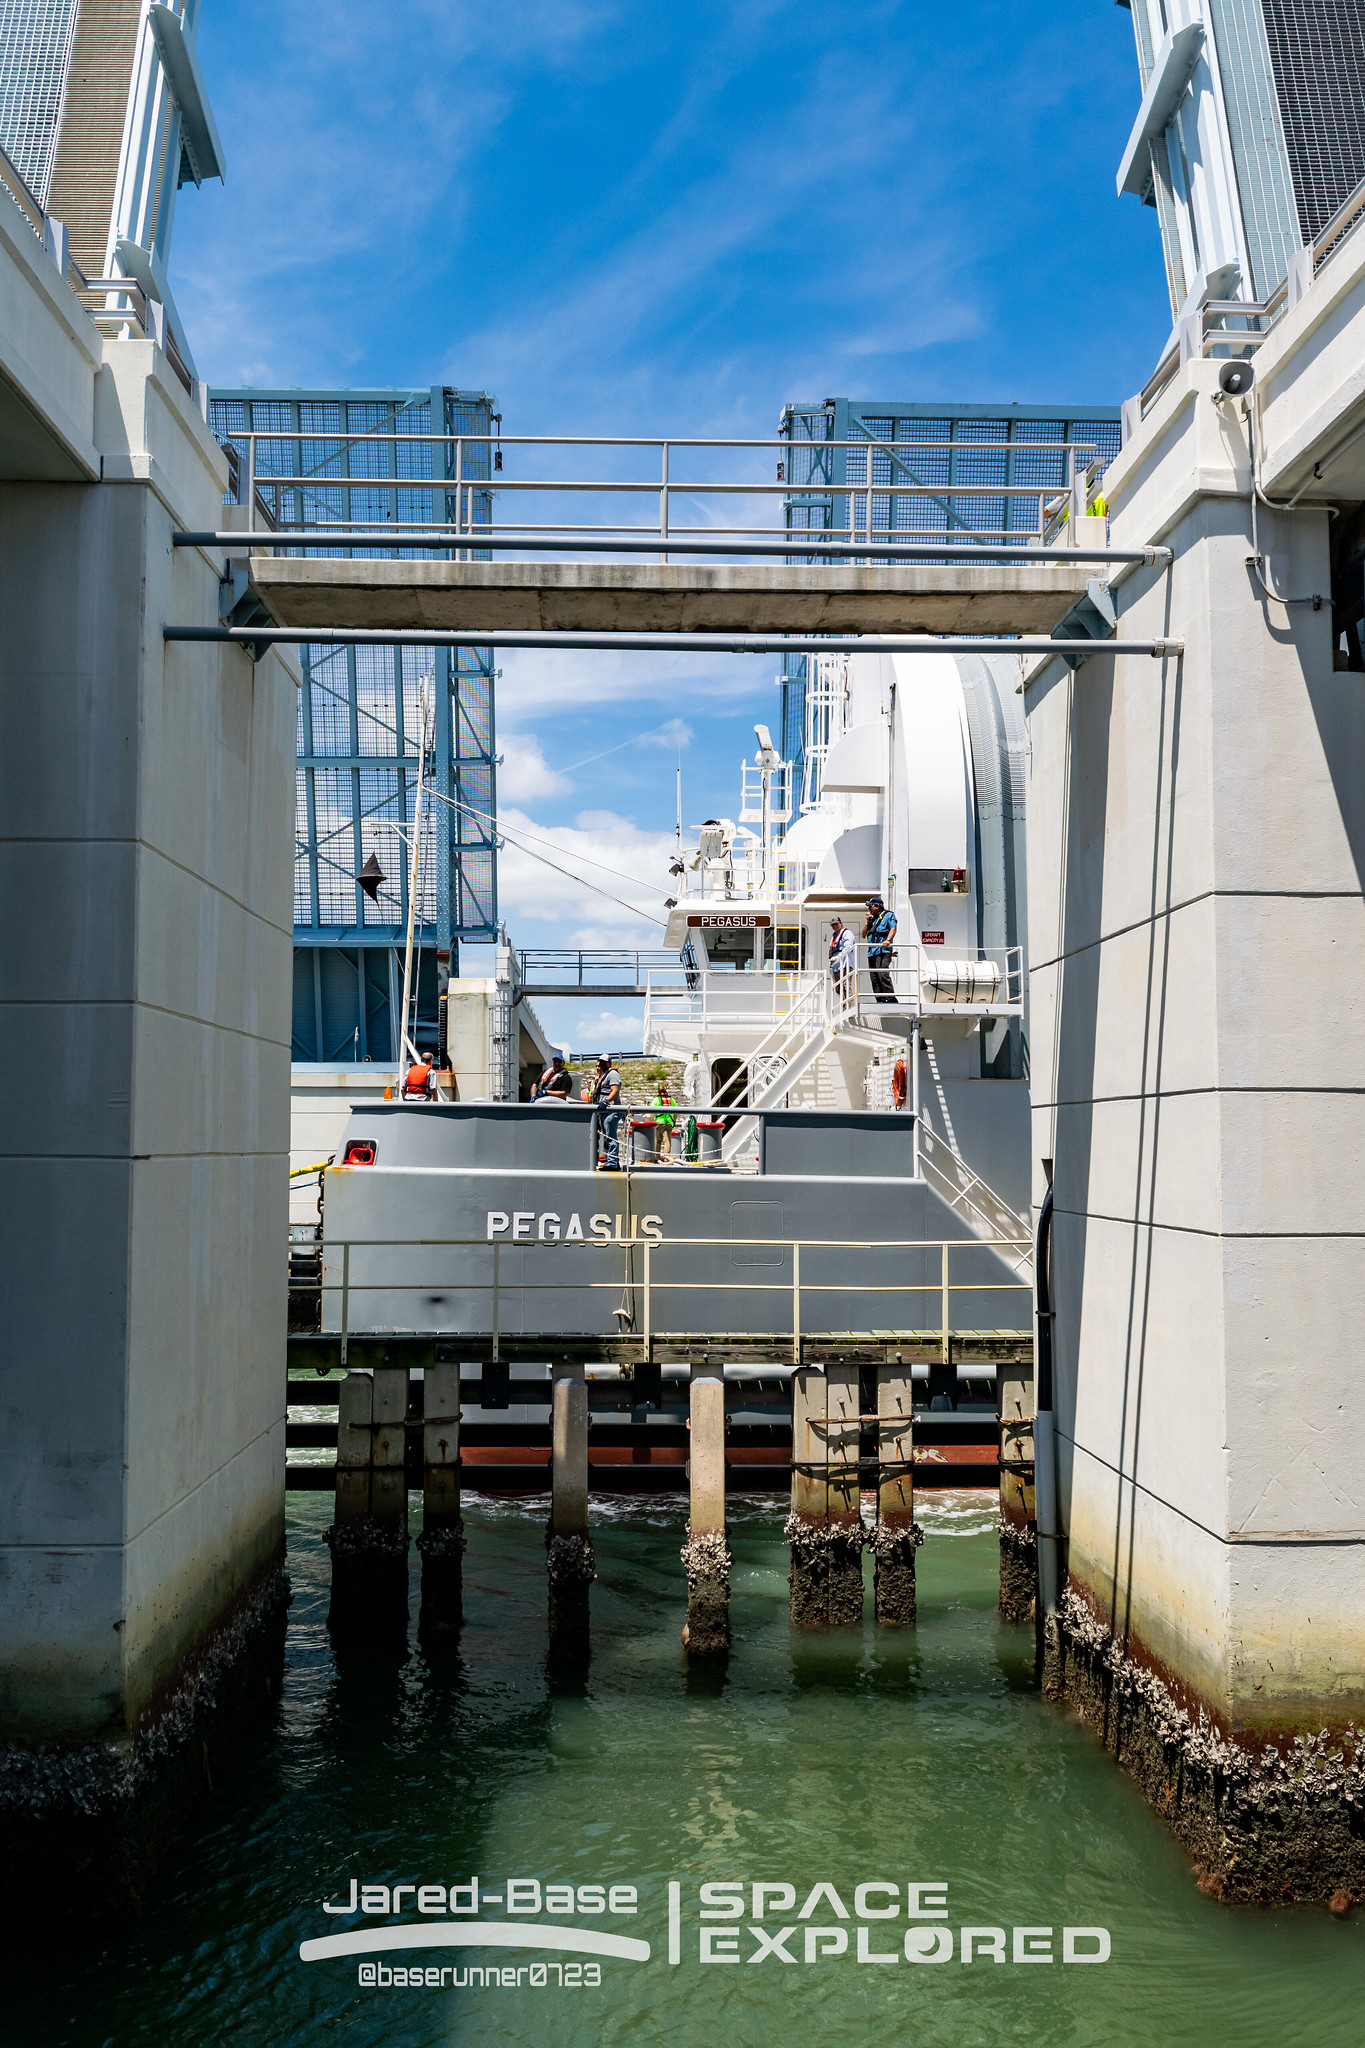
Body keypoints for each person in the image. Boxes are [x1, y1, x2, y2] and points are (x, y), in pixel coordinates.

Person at [863, 894, 898, 1003]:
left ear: (877, 906)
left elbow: (893, 929)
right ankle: (880, 999)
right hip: (872, 952)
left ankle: (891, 999)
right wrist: (868, 922)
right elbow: (864, 934)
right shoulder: (873, 920)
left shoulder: (889, 915)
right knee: (874, 977)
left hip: (883, 951)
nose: (869, 909)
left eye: (871, 906)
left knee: (882, 973)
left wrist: (888, 940)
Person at [593, 1054, 623, 1169]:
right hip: (604, 1112)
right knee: (606, 1138)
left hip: (610, 1110)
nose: (601, 1064)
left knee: (610, 1138)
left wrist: (606, 1101)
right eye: (600, 1062)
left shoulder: (613, 1074)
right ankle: (610, 1162)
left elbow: (615, 1090)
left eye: (604, 1062)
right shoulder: (603, 1075)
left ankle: (612, 1164)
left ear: (609, 1063)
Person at [829, 916, 855, 1003]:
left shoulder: (847, 933)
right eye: (833, 925)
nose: (835, 926)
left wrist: (839, 956)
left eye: (836, 924)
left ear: (841, 923)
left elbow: (848, 946)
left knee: (845, 986)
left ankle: (850, 1006)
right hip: (836, 965)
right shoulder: (834, 936)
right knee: (838, 988)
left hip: (845, 963)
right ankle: (844, 1006)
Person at [652, 1082, 677, 1162]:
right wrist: (674, 1121)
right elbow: (676, 1111)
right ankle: (666, 1157)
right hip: (669, 1123)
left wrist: (651, 1122)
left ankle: (657, 1157)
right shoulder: (671, 1100)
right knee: (667, 1141)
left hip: (659, 1123)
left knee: (658, 1141)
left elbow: (651, 1112)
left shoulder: (656, 1100)